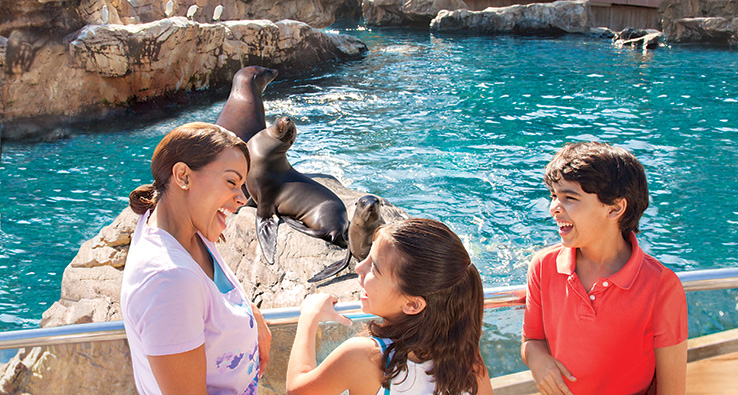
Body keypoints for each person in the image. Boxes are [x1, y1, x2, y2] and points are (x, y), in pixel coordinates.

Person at [521, 142, 688, 395]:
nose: (554, 207)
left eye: (570, 198)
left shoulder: (661, 286)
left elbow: (671, 390)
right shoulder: (543, 266)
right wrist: (538, 360)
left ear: (614, 208)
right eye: (554, 196)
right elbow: (532, 340)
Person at [121, 122, 271, 395]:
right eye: (231, 182)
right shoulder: (169, 280)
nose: (241, 198)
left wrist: (249, 313)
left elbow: (209, 295)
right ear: (183, 176)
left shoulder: (184, 229)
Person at [286, 218, 494, 395]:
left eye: (374, 268)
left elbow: (297, 391)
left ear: (412, 304)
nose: (359, 267)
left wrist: (309, 316)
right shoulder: (466, 359)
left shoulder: (364, 356)